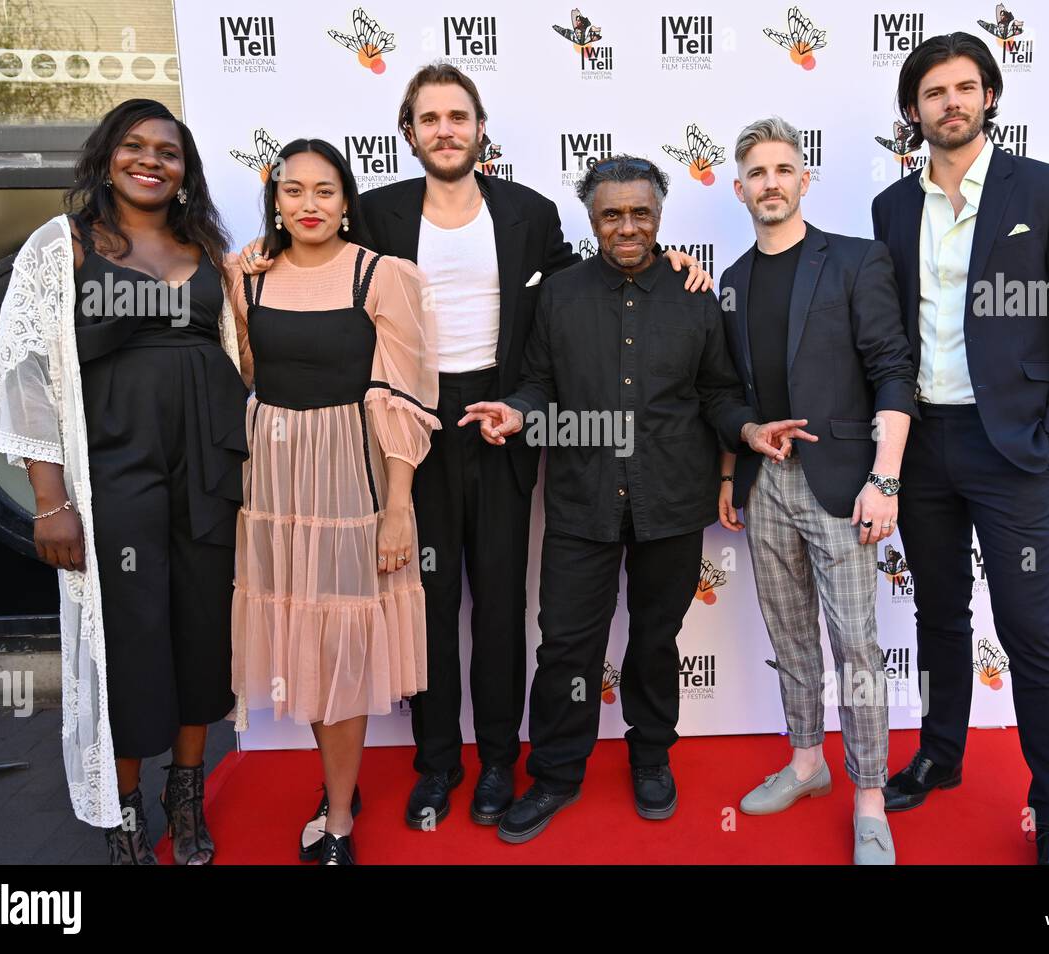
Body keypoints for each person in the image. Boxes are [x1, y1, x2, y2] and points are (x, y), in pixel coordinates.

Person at [239, 63, 711, 830]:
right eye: (430, 119)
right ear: (410, 132)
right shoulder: (379, 213)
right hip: (405, 424)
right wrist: (261, 255)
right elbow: (314, 250)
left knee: (498, 604)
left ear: (480, 127)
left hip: (501, 416)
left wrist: (674, 261)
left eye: (459, 116)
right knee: (425, 602)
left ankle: (497, 760)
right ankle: (436, 766)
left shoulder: (527, 211)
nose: (446, 130)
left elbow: (599, 278)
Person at [459, 156, 809, 844]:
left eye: (640, 212)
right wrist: (518, 412)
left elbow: (717, 391)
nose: (627, 226)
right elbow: (538, 382)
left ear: (659, 214)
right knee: (566, 646)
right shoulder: (558, 295)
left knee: (655, 639)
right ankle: (557, 774)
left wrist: (746, 427)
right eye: (612, 214)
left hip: (672, 500)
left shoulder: (694, 293)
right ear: (592, 218)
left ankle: (652, 757)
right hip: (581, 502)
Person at [871, 33, 1049, 864]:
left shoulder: (1048, 191)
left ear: (989, 98)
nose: (952, 102)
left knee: (1031, 631)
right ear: (914, 110)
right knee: (939, 617)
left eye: (966, 87)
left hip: (1010, 449)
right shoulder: (893, 209)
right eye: (935, 91)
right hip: (923, 444)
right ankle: (941, 754)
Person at [0, 99, 248, 864]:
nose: (151, 161)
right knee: (130, 642)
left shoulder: (205, 245)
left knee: (204, 635)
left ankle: (187, 792)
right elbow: (23, 372)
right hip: (112, 478)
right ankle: (124, 805)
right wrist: (51, 501)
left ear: (185, 172)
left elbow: (238, 359)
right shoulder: (62, 246)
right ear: (107, 158)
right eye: (135, 147)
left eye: (168, 152)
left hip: (208, 474)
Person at [227, 138, 438, 865]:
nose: (308, 205)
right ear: (275, 201)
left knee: (340, 641)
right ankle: (334, 785)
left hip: (350, 474)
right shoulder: (243, 276)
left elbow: (404, 399)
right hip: (272, 480)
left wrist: (399, 505)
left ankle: (341, 815)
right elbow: (244, 371)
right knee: (298, 635)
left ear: (347, 201)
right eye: (292, 191)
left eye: (324, 191)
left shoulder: (382, 276)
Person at [717, 117, 917, 864]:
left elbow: (893, 370)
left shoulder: (857, 262)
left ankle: (870, 797)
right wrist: (739, 459)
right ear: (739, 189)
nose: (770, 182)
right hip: (768, 485)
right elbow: (725, 393)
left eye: (782, 168)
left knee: (858, 648)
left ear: (804, 179)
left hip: (843, 485)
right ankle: (807, 763)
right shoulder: (732, 283)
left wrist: (884, 477)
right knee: (792, 639)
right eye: (756, 173)